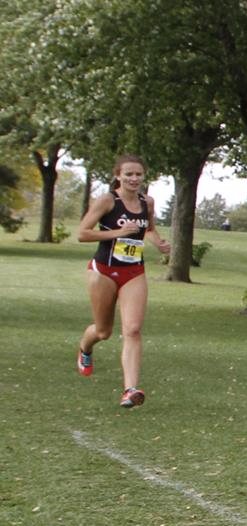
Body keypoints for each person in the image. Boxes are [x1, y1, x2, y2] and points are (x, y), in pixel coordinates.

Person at [76, 154, 170, 409]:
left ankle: (130, 390)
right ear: (118, 175)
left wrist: (158, 243)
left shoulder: (147, 202)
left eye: (138, 174)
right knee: (103, 331)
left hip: (133, 272)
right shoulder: (107, 200)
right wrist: (118, 232)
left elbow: (148, 229)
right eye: (128, 174)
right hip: (103, 271)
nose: (134, 178)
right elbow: (82, 233)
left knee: (133, 329)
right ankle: (85, 348)